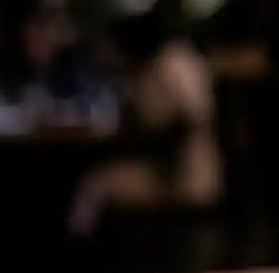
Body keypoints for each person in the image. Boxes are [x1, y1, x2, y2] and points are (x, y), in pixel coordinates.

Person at [68, 12, 221, 236]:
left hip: (180, 177)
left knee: (94, 184)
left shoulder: (166, 64)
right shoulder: (181, 55)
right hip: (202, 172)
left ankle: (82, 256)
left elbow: (183, 122)